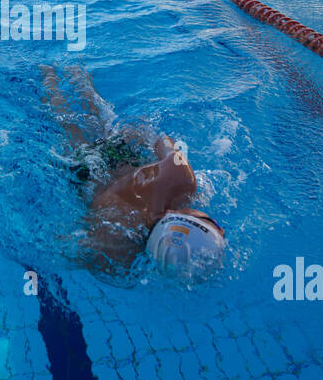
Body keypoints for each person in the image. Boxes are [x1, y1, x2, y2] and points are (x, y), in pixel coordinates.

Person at [42, 65, 227, 279]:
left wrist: (140, 135)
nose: (221, 228)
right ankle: (50, 77)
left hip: (117, 157)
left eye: (213, 223)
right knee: (65, 123)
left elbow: (163, 141)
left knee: (89, 111)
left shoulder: (181, 178)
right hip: (84, 178)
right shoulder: (114, 256)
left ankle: (65, 72)